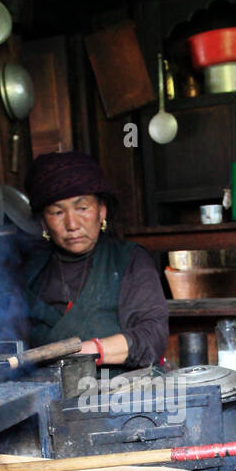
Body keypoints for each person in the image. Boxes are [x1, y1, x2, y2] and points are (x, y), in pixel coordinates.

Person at [22, 152, 168, 368]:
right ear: (43, 223)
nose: (72, 224)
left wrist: (88, 351)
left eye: (82, 208)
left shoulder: (130, 260)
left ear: (101, 211)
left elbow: (151, 338)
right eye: (57, 212)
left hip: (122, 392)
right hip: (47, 393)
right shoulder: (30, 271)